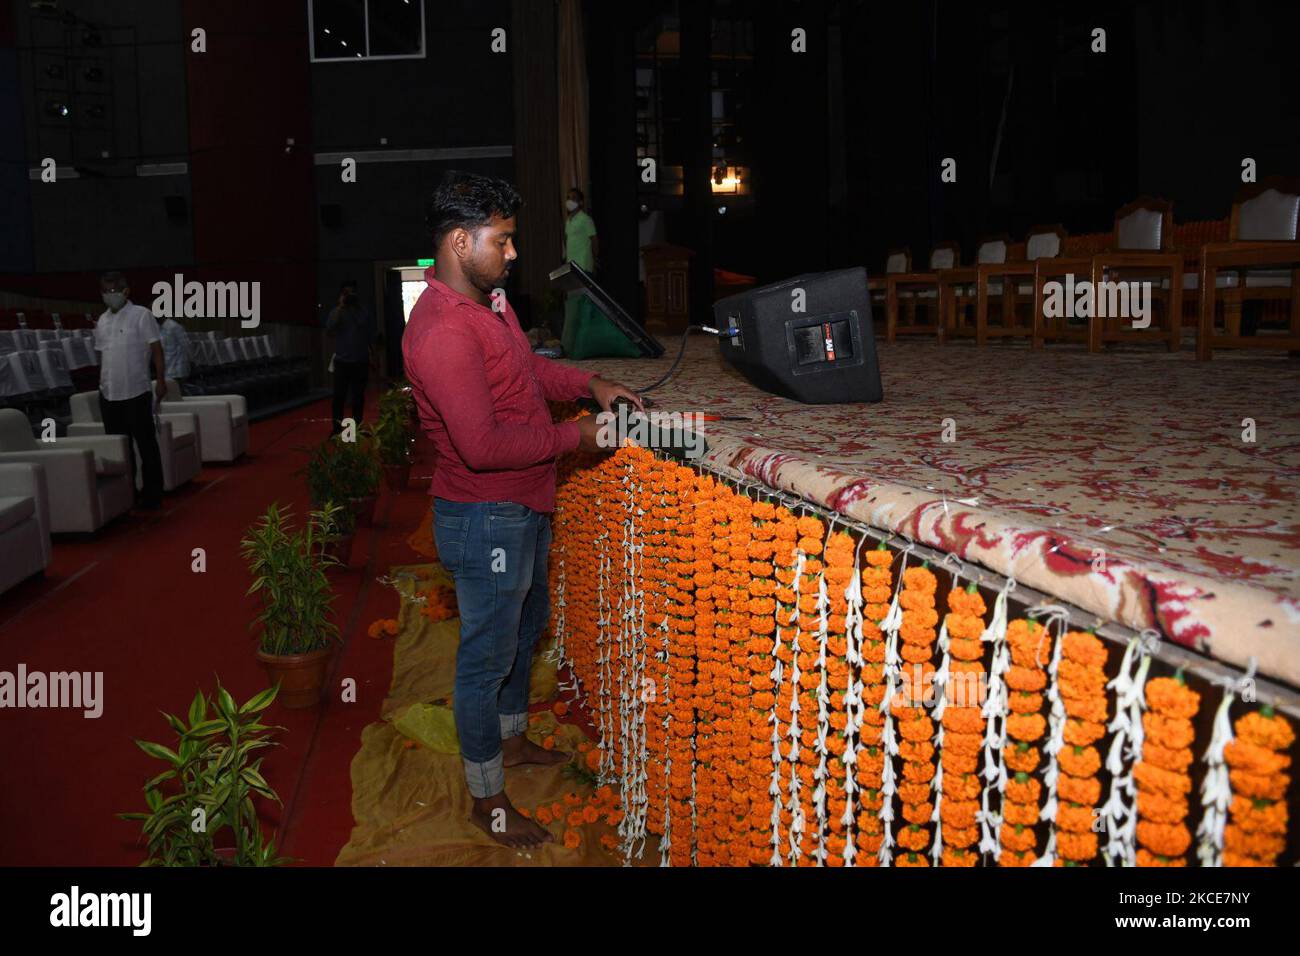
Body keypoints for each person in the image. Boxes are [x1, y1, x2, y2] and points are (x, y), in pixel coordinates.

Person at [403, 171, 642, 849]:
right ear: (459, 240)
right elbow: (479, 447)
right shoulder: (443, 331)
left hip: (521, 506)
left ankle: (510, 744)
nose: (512, 253)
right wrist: (578, 436)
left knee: (522, 629)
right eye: (502, 240)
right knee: (486, 659)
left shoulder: (490, 302)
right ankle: (487, 799)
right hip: (487, 518)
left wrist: (589, 382)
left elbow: (527, 371)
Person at [93, 271, 166, 510]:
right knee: (120, 447)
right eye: (104, 291)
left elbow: (156, 350)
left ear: (126, 291)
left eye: (113, 291)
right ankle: (127, 495)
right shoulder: (102, 320)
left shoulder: (142, 315)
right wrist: (101, 385)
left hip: (136, 390)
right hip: (109, 393)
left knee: (146, 444)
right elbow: (102, 354)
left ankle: (153, 494)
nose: (108, 295)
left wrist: (161, 380)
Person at [326, 280, 376, 434]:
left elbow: (368, 333)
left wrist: (372, 355)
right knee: (338, 398)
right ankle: (336, 429)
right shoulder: (337, 312)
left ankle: (357, 429)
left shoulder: (363, 311)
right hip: (342, 361)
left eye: (352, 292)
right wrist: (341, 307)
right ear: (341, 295)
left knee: (358, 397)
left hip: (360, 360)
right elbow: (330, 328)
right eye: (346, 293)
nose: (349, 295)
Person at [562, 187, 598, 337]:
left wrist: (596, 259)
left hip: (583, 264)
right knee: (573, 299)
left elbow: (594, 240)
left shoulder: (586, 219)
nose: (570, 201)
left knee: (584, 298)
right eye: (568, 198)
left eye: (574, 198)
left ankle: (588, 332)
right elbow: (567, 241)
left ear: (581, 202)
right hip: (571, 265)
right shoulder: (568, 221)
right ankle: (576, 332)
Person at [158, 314, 192, 387]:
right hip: (166, 369)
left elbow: (186, 346)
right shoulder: (157, 327)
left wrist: (191, 361)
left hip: (177, 369)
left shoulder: (174, 326)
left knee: (176, 394)